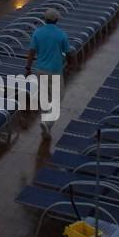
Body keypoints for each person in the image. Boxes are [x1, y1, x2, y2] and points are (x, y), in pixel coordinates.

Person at [25, 8, 70, 139]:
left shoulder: (37, 33)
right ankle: (47, 122)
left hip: (40, 70)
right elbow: (69, 52)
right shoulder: (61, 35)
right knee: (57, 98)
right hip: (55, 71)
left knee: (46, 98)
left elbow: (32, 52)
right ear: (57, 20)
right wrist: (72, 63)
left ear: (45, 19)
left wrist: (28, 68)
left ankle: (47, 128)